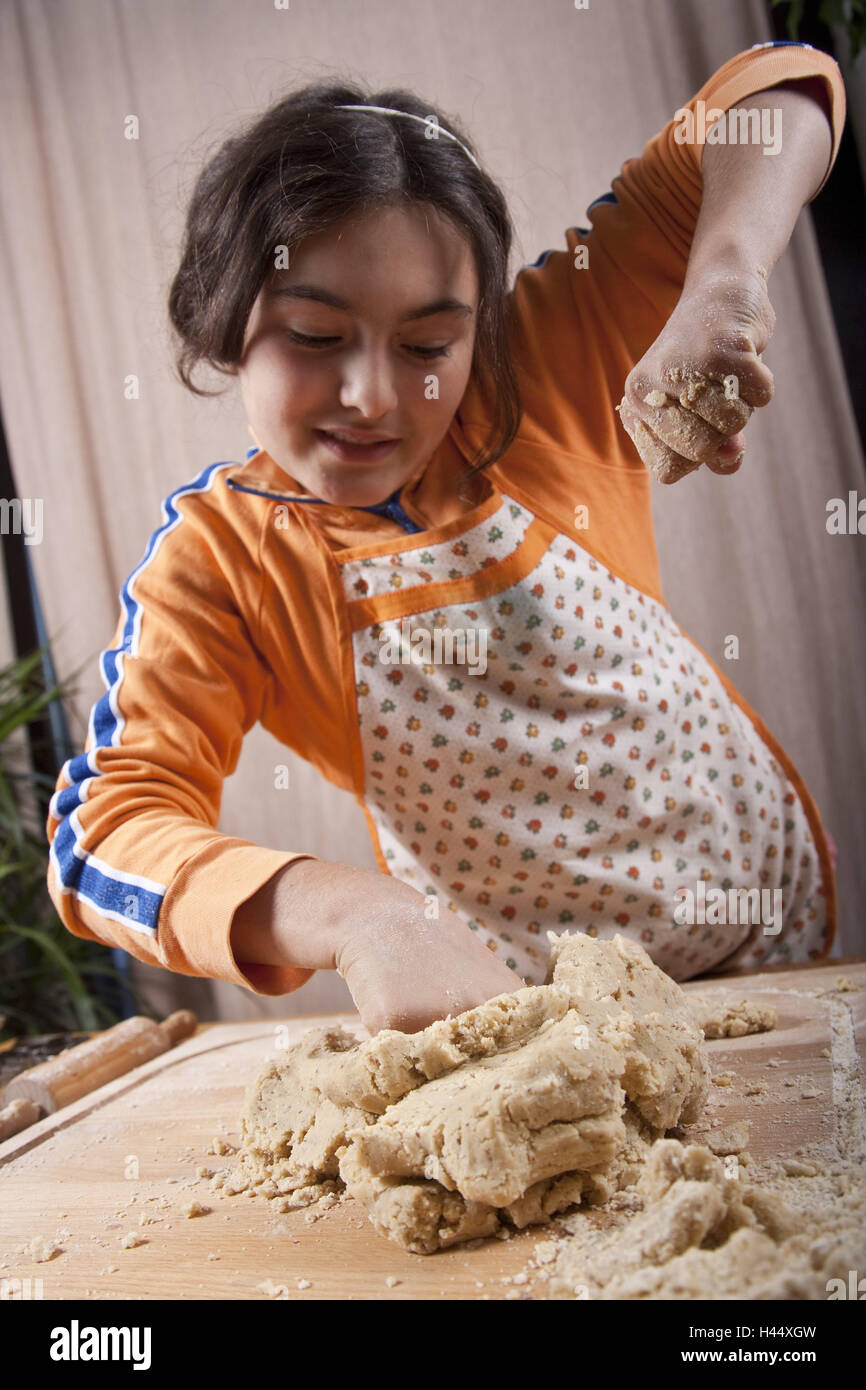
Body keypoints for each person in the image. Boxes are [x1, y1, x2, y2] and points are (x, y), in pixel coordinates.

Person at [47, 43, 845, 1035]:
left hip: (778, 934)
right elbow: (103, 836)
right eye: (314, 335)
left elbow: (783, 84)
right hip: (548, 1020)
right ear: (226, 313)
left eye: (429, 346)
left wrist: (722, 277)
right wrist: (356, 913)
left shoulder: (548, 368)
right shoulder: (220, 563)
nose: (373, 398)